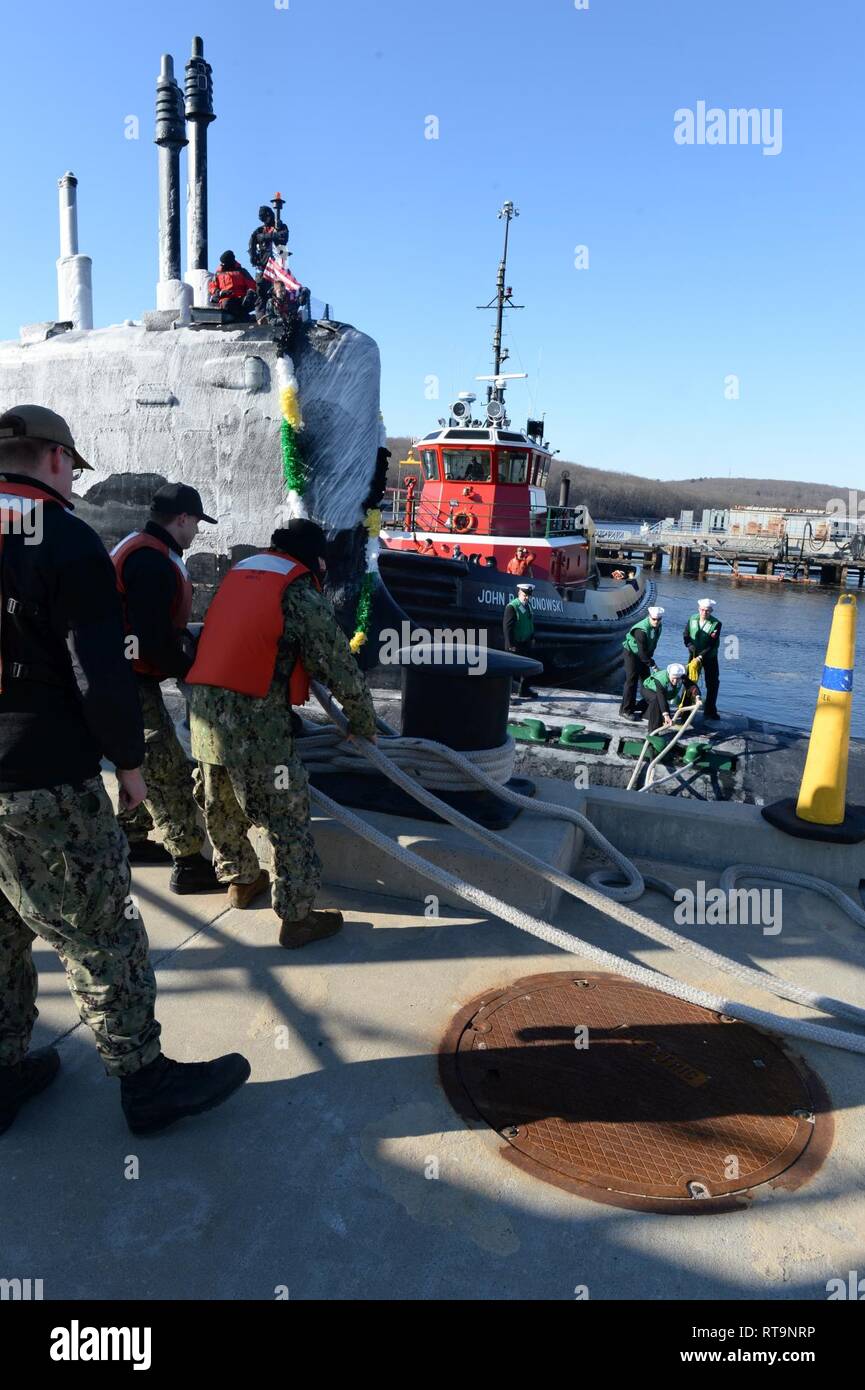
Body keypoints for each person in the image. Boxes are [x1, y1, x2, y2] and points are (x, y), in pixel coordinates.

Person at [0, 405, 249, 1136]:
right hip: (39, 775)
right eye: (72, 470)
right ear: (53, 459)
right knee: (101, 932)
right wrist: (130, 762)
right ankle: (145, 1081)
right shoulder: (65, 538)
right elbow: (97, 671)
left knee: (3, 931)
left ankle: (3, 1071)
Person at [185, 520, 379, 948]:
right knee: (286, 816)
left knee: (220, 805)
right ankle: (297, 918)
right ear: (315, 560)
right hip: (257, 729)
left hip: (202, 718)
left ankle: (240, 881)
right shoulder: (298, 591)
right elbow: (337, 664)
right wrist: (362, 722)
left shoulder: (240, 575)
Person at [111, 483, 221, 894]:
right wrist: (188, 669)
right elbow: (152, 635)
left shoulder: (139, 546)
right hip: (128, 679)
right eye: (196, 524)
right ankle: (189, 863)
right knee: (165, 768)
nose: (196, 533)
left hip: (121, 674)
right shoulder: (151, 561)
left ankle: (131, 837)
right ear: (182, 519)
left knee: (136, 758)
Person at [619, 605, 664, 720]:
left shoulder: (658, 627)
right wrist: (653, 665)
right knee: (631, 680)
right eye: (654, 619)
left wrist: (650, 659)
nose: (656, 621)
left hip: (645, 655)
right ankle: (625, 710)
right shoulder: (641, 630)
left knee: (647, 681)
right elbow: (642, 653)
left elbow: (651, 645)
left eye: (659, 619)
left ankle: (644, 707)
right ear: (649, 617)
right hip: (632, 653)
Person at [684, 596, 722, 721]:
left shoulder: (716, 624)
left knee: (712, 683)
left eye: (707, 611)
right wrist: (689, 645)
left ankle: (710, 710)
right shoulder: (692, 619)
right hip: (694, 655)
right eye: (702, 610)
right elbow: (686, 635)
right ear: (698, 609)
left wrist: (701, 656)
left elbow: (711, 643)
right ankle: (686, 711)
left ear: (711, 611)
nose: (704, 613)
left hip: (709, 656)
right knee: (689, 681)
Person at [248, 203, 289, 319]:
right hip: (262, 265)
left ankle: (279, 315)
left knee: (278, 291)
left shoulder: (281, 227)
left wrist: (266, 236)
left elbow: (283, 237)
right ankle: (261, 317)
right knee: (260, 292)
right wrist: (253, 256)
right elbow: (252, 243)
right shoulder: (259, 230)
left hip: (277, 265)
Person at [504, 582, 538, 699]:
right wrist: (510, 644)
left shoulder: (528, 606)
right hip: (516, 644)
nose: (527, 597)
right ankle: (507, 696)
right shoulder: (512, 607)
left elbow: (529, 623)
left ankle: (524, 690)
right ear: (519, 593)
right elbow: (507, 627)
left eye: (528, 595)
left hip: (526, 642)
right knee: (512, 671)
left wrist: (532, 637)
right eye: (525, 595)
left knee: (527, 668)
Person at [208, 251, 257, 321]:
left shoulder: (242, 271)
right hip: (227, 300)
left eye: (224, 263)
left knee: (255, 300)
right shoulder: (218, 274)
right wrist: (220, 292)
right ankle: (244, 317)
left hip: (242, 299)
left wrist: (249, 294)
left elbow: (252, 284)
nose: (222, 265)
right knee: (227, 303)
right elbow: (212, 286)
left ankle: (244, 316)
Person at [641, 662, 687, 734]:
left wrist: (697, 694)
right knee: (656, 700)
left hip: (658, 694)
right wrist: (666, 715)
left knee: (660, 714)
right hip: (647, 690)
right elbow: (661, 698)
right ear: (669, 675)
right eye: (673, 678)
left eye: (678, 679)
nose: (675, 681)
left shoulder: (681, 677)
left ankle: (644, 711)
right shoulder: (661, 679)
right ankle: (653, 731)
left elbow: (690, 684)